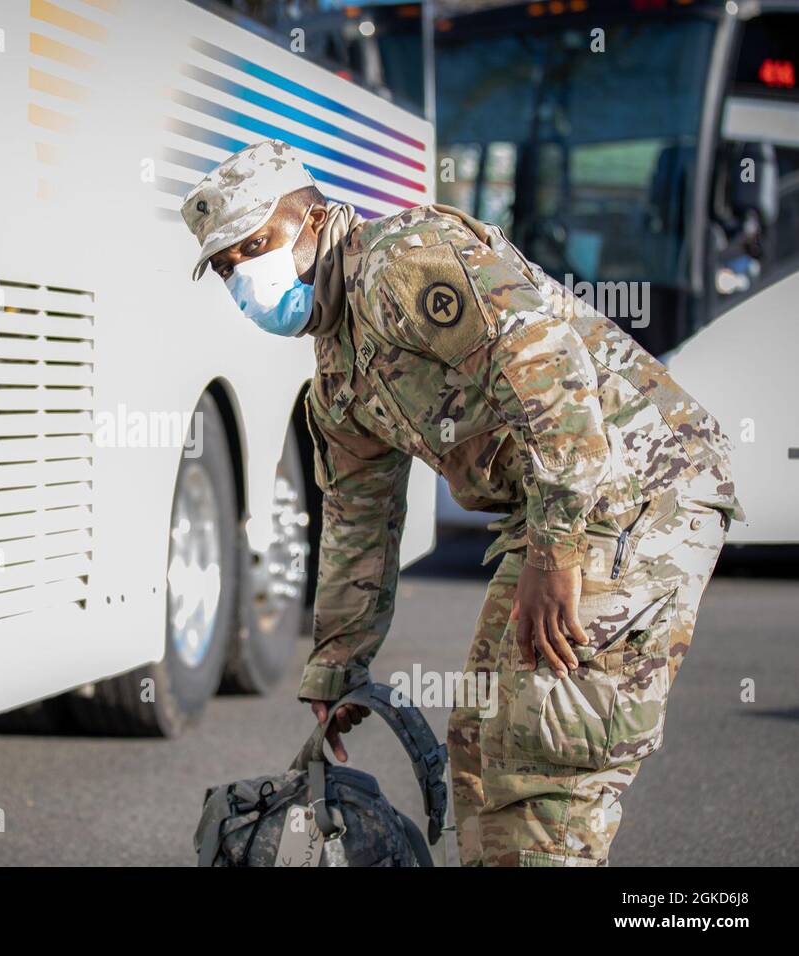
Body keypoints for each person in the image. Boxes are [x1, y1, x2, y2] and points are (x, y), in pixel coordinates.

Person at [179, 139, 744, 866]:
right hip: (562, 504)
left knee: (543, 757)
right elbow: (359, 519)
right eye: (226, 266)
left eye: (253, 246)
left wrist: (556, 554)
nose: (242, 278)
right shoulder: (338, 373)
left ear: (315, 220)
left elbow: (552, 375)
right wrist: (337, 667)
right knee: (479, 740)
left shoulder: (406, 260)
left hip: (640, 484)